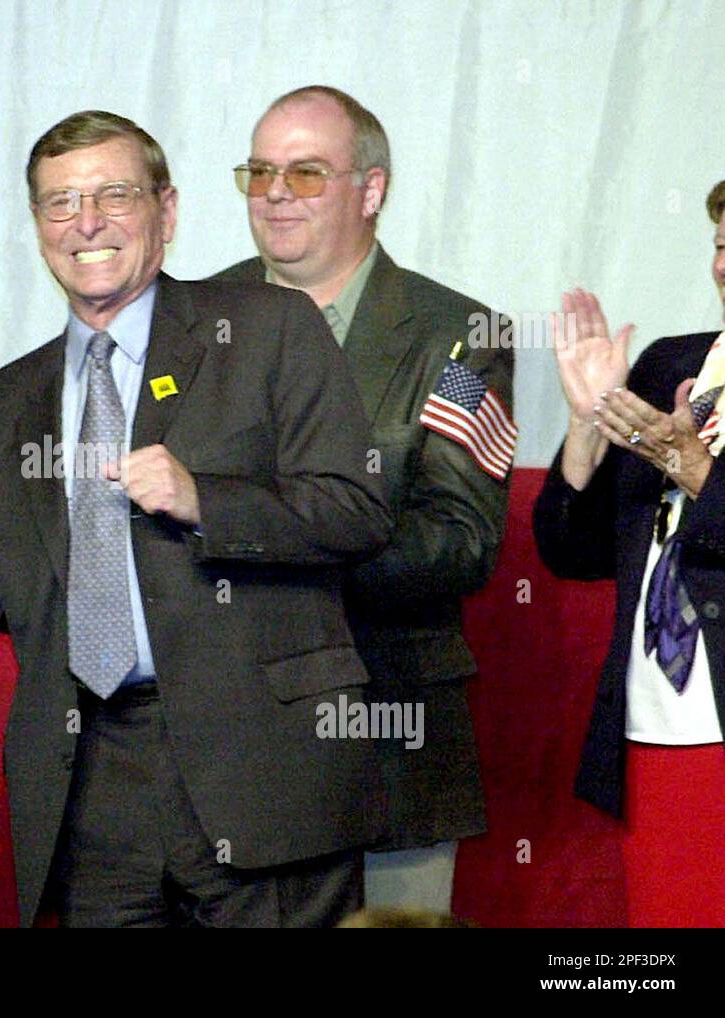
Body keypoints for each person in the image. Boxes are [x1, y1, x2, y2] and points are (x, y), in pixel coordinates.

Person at [0, 109, 393, 927]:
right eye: (60, 203)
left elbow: (359, 510)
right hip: (89, 787)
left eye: (114, 195)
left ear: (166, 213)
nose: (86, 222)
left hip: (260, 767)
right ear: (37, 227)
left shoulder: (271, 330)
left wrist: (207, 500)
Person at [212, 86, 516, 913]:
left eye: (307, 173)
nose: (274, 192)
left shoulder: (459, 338)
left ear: (371, 190)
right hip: (224, 755)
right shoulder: (195, 320)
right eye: (260, 171)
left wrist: (287, 545)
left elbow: (460, 541)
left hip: (390, 741)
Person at [533, 181, 725, 926]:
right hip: (655, 724)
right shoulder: (668, 367)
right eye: (719, 246)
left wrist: (698, 472)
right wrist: (587, 425)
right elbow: (574, 550)